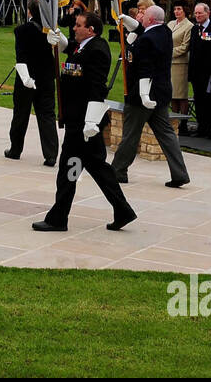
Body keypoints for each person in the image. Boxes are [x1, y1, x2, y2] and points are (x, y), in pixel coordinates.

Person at [34, 12, 138, 232]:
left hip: (83, 124)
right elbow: (69, 47)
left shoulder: (97, 50)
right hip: (77, 120)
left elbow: (96, 88)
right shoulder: (83, 45)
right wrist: (57, 37)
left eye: (78, 25)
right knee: (98, 168)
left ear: (91, 30)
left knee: (69, 170)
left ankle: (58, 218)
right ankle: (123, 210)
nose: (74, 28)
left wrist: (91, 121)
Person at [111, 6, 190, 187]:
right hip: (161, 94)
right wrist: (126, 20)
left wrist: (144, 94)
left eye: (145, 16)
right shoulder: (164, 32)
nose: (142, 18)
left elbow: (145, 68)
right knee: (167, 135)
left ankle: (118, 170)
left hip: (142, 95)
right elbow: (141, 29)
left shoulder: (146, 40)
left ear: (151, 20)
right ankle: (180, 173)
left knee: (130, 135)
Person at [5, 0, 58, 166]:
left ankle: (15, 149)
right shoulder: (51, 30)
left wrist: (26, 78)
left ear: (29, 12)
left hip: (27, 78)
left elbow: (20, 56)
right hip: (46, 77)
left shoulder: (22, 30)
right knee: (47, 115)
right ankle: (51, 155)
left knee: (21, 114)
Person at [188, 2, 211, 138]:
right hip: (196, 72)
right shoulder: (194, 29)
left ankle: (209, 128)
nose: (197, 15)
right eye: (196, 13)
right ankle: (201, 127)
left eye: (200, 13)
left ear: (207, 13)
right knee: (198, 100)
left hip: (209, 72)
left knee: (209, 101)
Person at [168, 1, 194, 136]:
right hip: (169, 64)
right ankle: (174, 121)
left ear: (185, 10)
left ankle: (183, 123)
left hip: (180, 64)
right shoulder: (171, 24)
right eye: (175, 9)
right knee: (172, 94)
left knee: (181, 95)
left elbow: (185, 46)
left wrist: (168, 52)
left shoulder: (189, 26)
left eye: (179, 9)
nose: (176, 12)